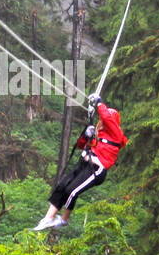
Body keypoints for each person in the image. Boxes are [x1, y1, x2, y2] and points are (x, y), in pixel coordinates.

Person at [33, 94, 127, 230]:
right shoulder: (98, 132)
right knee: (62, 186)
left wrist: (99, 102)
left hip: (96, 169)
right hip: (84, 164)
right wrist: (85, 135)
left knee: (72, 191)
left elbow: (107, 118)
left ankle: (64, 220)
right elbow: (81, 145)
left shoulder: (117, 135)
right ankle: (48, 218)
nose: (103, 122)